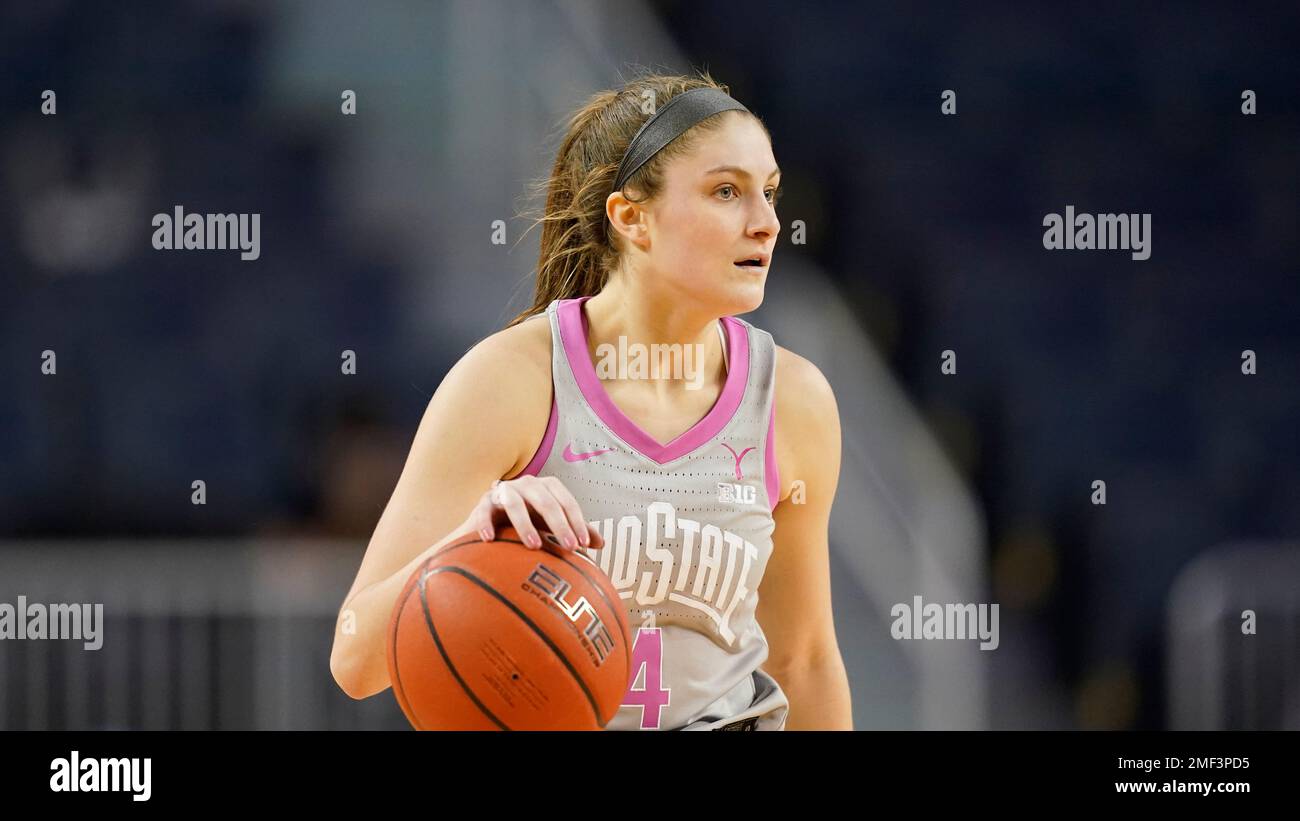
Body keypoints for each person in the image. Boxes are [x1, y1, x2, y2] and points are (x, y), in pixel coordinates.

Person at [329, 71, 852, 730]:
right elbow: (355, 657)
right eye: (728, 192)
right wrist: (461, 548)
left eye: (771, 194)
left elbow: (803, 660)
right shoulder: (510, 379)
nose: (768, 224)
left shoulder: (794, 400)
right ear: (631, 216)